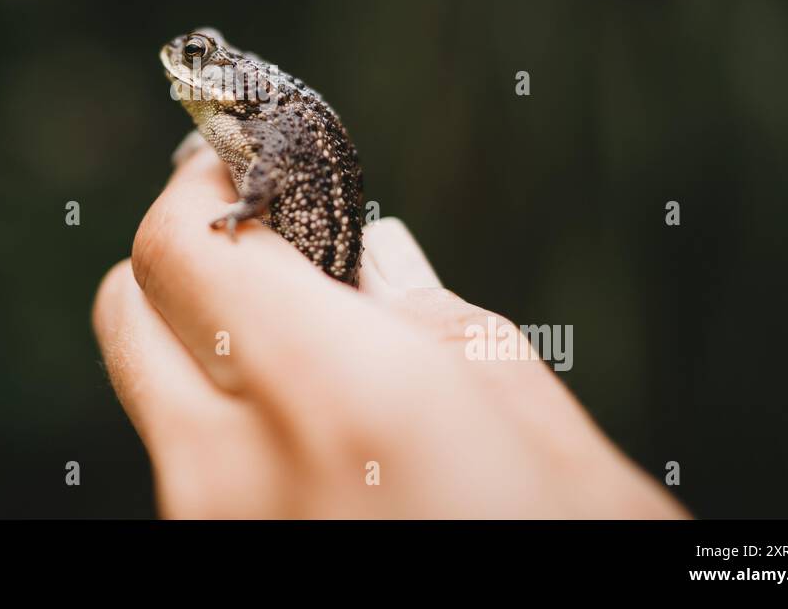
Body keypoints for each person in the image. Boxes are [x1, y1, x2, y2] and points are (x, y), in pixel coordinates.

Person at [93, 146, 688, 519]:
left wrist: (247, 204)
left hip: (325, 247)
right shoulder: (236, 116)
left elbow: (274, 148)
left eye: (200, 55)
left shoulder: (255, 103)